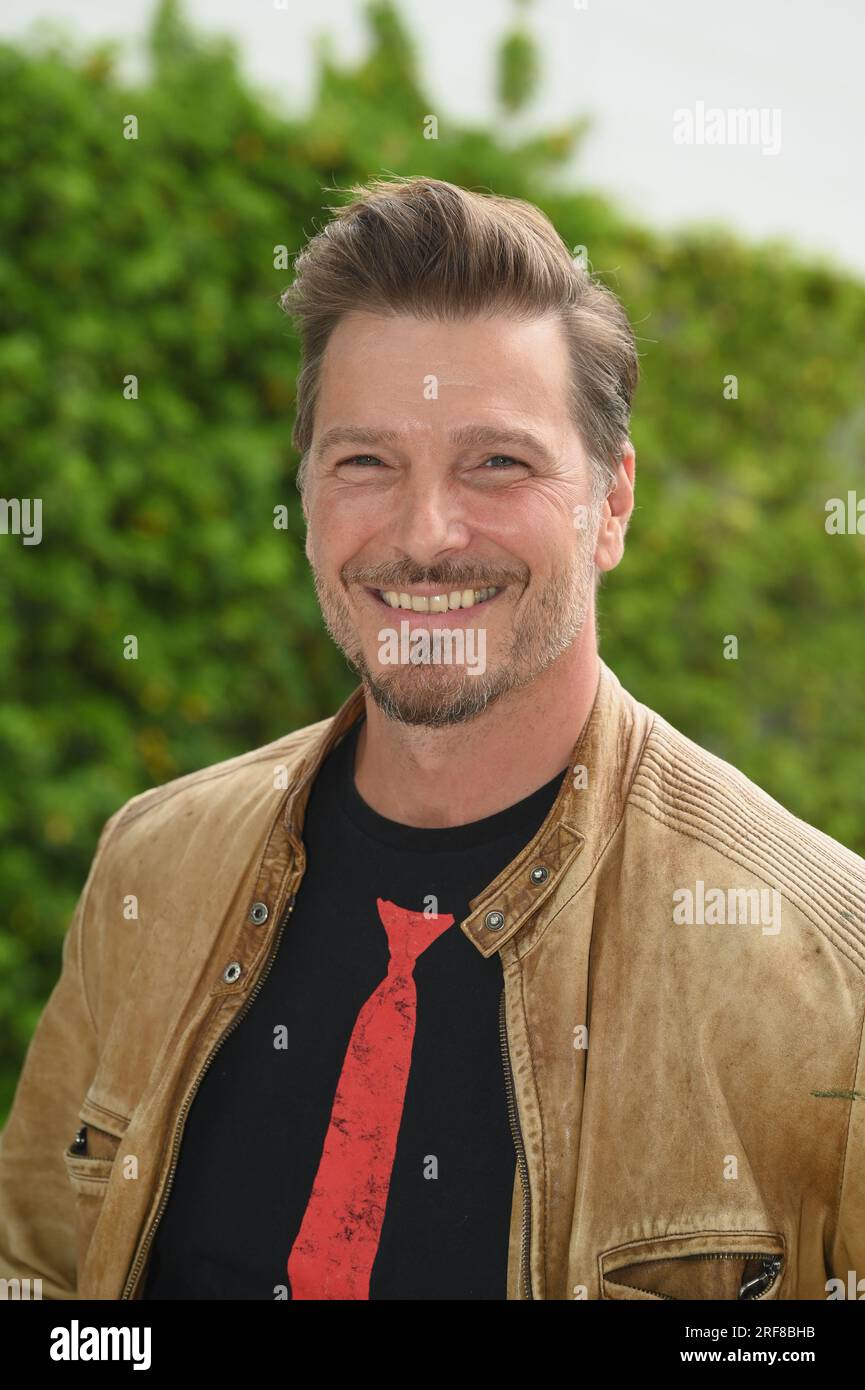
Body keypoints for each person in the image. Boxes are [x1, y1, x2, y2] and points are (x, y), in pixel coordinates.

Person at [1, 175, 863, 1302]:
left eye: (496, 462)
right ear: (306, 495)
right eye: (365, 462)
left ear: (609, 505)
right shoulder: (151, 864)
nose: (423, 535)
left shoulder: (825, 973)